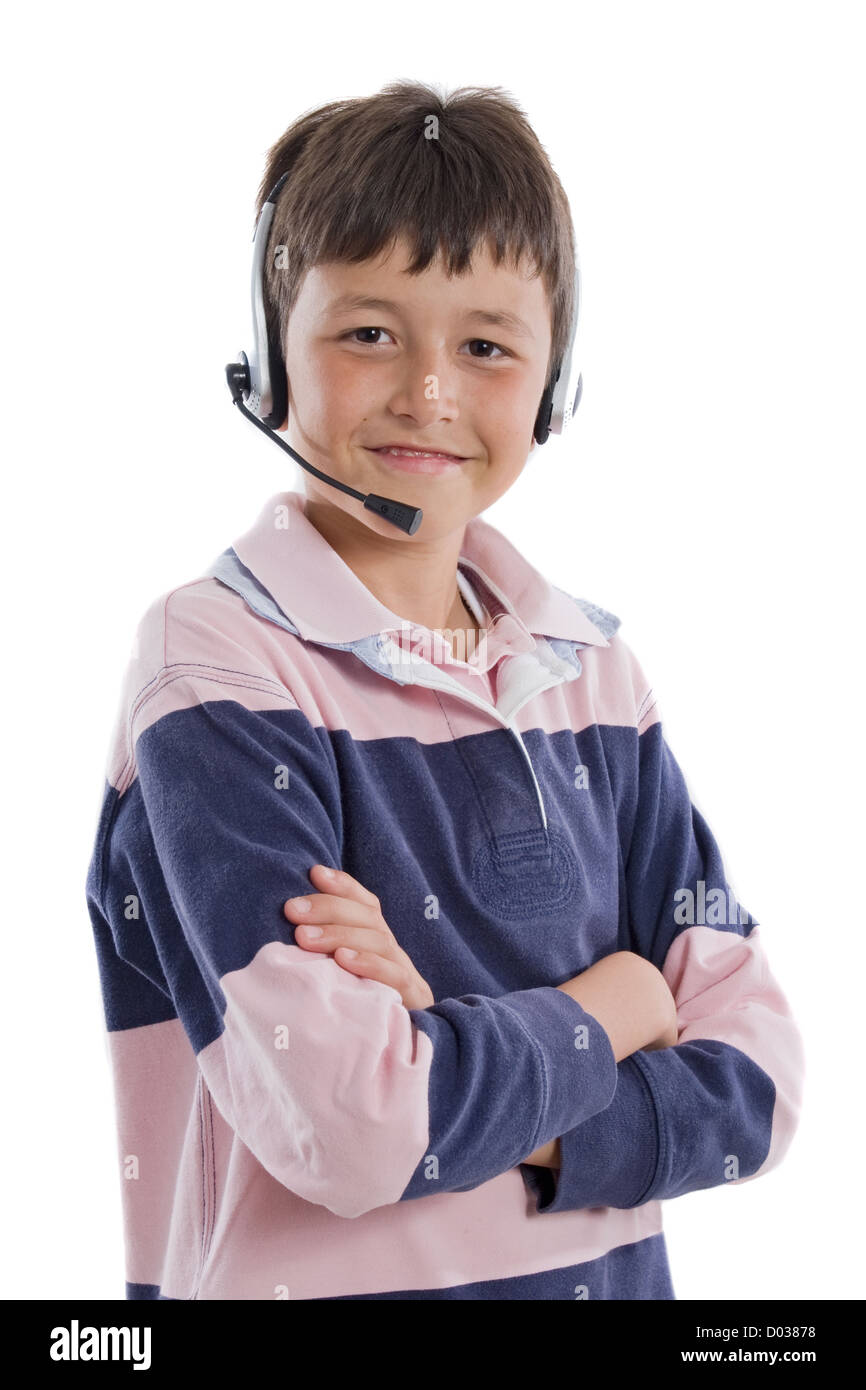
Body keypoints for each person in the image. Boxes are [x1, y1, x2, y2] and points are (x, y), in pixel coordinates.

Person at [84, 80, 804, 1301]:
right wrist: (619, 1000)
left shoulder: (595, 675)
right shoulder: (211, 670)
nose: (427, 391)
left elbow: (761, 1086)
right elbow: (359, 1128)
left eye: (484, 345)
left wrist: (446, 1045)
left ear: (552, 380)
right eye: (368, 333)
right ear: (269, 359)